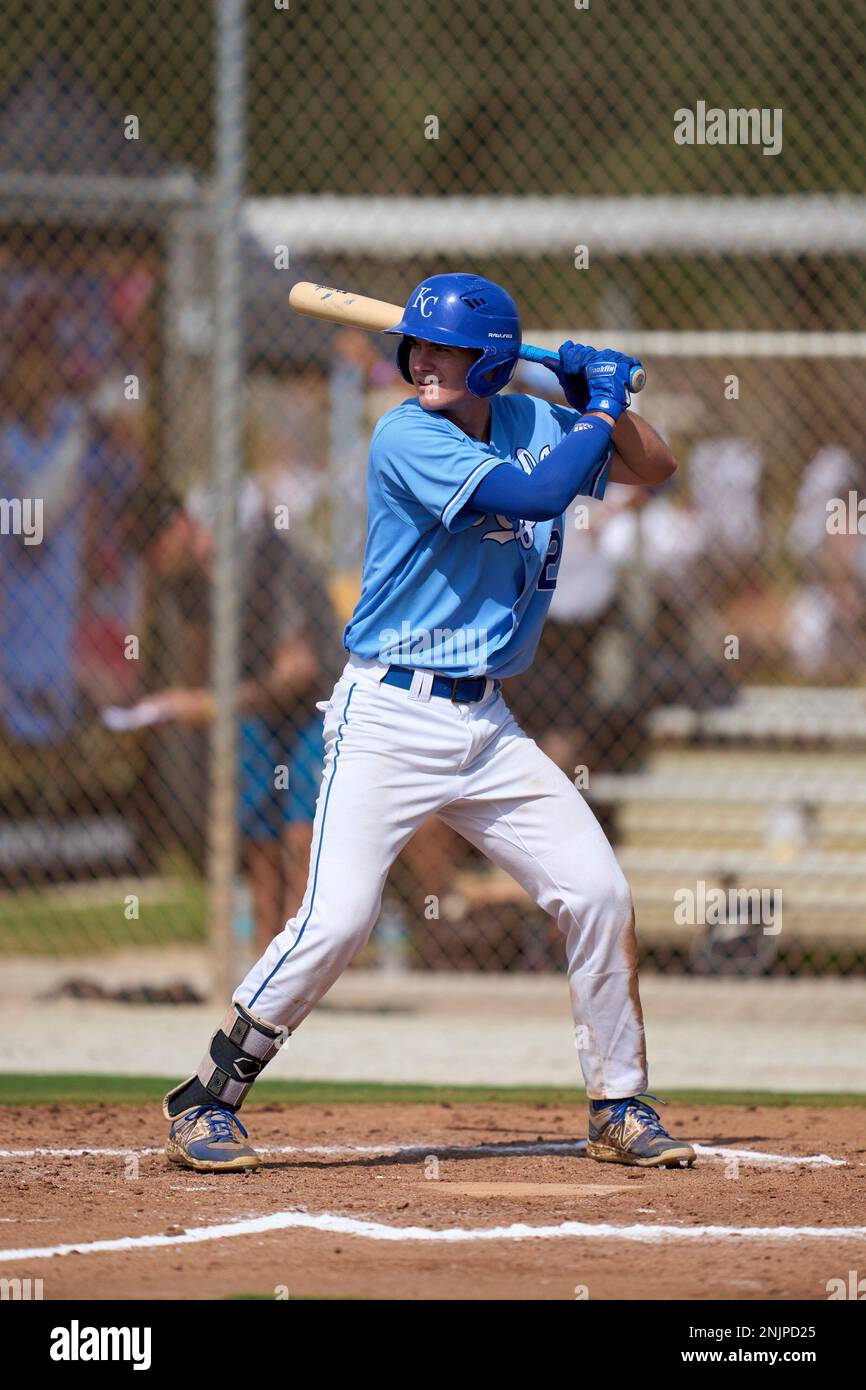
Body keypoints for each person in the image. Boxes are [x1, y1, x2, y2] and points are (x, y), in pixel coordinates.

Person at [161, 273, 695, 1172]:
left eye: (445, 350)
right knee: (337, 921)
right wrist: (597, 409)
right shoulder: (406, 433)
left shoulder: (531, 422)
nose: (422, 363)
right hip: (389, 715)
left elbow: (658, 467)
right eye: (417, 347)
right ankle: (207, 1097)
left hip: (487, 722)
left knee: (597, 892)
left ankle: (618, 1100)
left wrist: (582, 392)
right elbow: (531, 501)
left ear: (491, 364)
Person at [130, 484, 343, 948]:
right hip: (255, 706)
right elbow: (201, 668)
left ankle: (297, 963)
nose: (151, 562)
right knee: (259, 833)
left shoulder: (261, 559)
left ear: (182, 527)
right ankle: (264, 961)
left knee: (301, 834)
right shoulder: (185, 579)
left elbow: (299, 669)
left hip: (315, 702)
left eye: (154, 545)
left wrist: (209, 707)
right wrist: (185, 703)